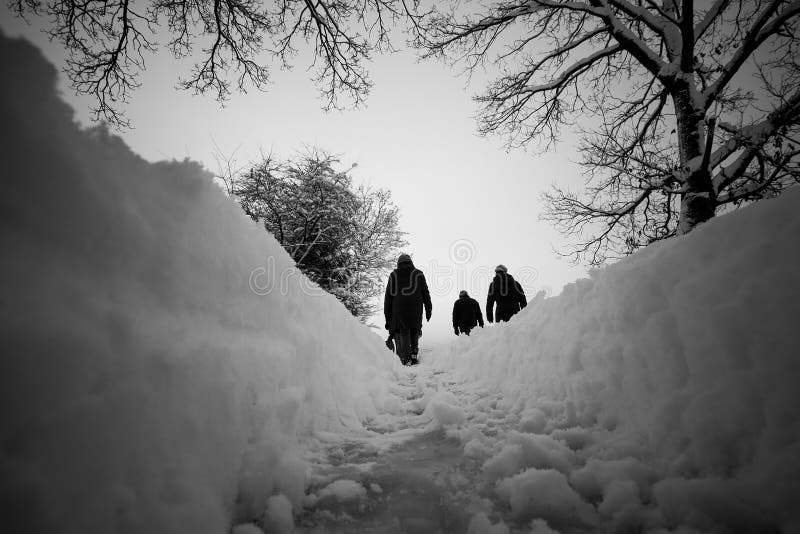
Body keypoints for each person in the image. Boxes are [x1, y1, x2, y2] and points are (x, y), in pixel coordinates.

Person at [384, 253, 432, 365]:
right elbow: (425, 293)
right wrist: (428, 309)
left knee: (404, 330)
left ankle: (406, 358)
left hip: (399, 309)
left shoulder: (394, 275)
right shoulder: (419, 274)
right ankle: (414, 354)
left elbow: (388, 297)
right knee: (415, 329)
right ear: (411, 262)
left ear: (398, 263)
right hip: (416, 309)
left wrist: (387, 317)